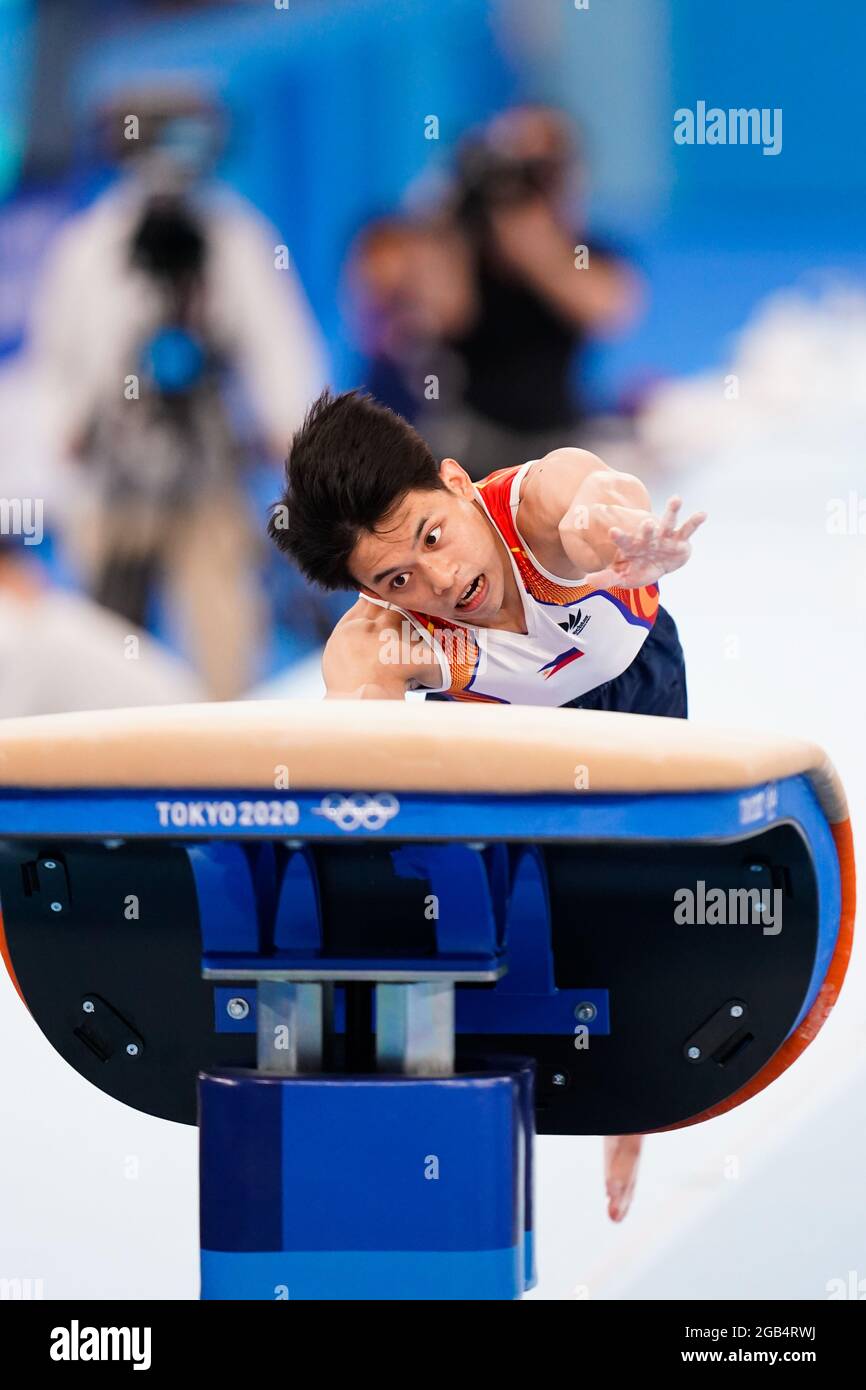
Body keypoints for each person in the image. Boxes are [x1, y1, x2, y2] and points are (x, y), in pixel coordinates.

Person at [268, 388, 706, 1221]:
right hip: (520, 749)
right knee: (501, 925)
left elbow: (595, 504)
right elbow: (345, 735)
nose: (441, 578)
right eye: (398, 577)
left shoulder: (537, 509)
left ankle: (631, 1104)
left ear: (460, 482)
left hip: (639, 691)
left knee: (645, 931)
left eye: (434, 534)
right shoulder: (386, 636)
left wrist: (624, 534)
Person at [417, 105, 642, 478]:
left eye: (537, 168)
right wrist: (449, 215)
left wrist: (533, 235)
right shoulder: (461, 245)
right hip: (470, 442)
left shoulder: (587, 250)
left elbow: (609, 311)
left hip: (562, 443)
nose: (518, 181)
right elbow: (443, 315)